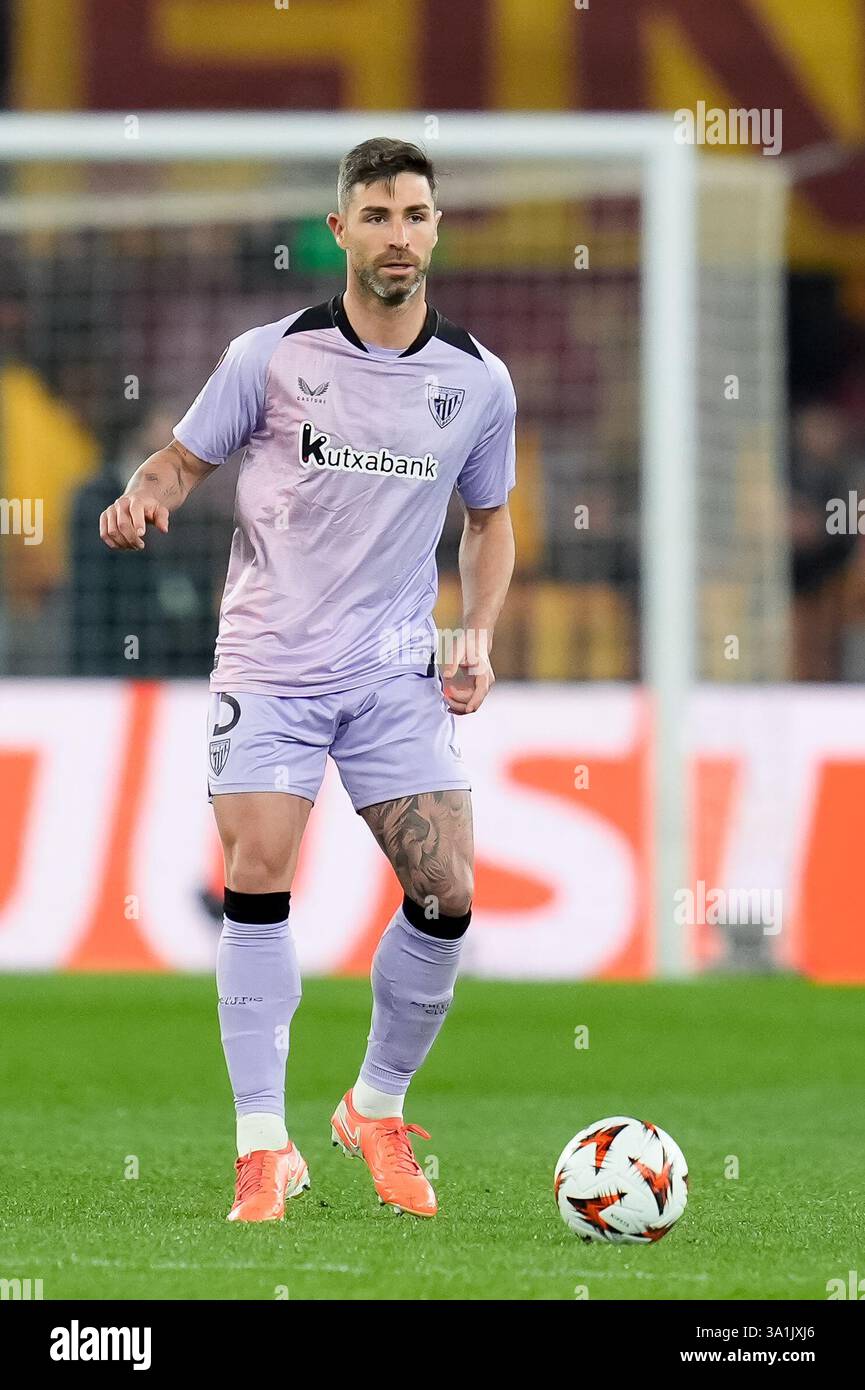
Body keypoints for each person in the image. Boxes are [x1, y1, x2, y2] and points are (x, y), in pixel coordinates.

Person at [98, 137, 517, 1222]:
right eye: (376, 215)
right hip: (271, 662)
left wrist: (475, 628)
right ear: (340, 230)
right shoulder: (271, 357)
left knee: (448, 893)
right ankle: (260, 1147)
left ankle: (373, 1108)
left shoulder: (475, 379)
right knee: (258, 869)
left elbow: (490, 522)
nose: (398, 234)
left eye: (416, 214)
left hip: (392, 673)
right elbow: (178, 460)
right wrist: (146, 496)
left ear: (437, 227)